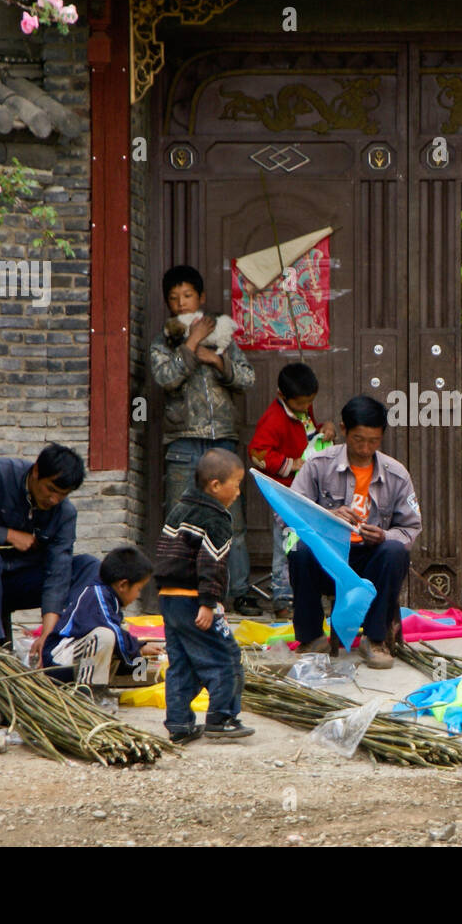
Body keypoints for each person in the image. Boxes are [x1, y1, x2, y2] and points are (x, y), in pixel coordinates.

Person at [150, 264, 261, 617]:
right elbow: (165, 378)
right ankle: (179, 591)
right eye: (174, 298)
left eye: (187, 296)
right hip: (183, 443)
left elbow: (247, 378)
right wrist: (191, 343)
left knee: (231, 520)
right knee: (180, 517)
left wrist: (216, 359)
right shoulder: (163, 341)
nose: (181, 303)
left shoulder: (224, 335)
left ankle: (239, 592)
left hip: (222, 443)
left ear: (201, 298)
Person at [287, 395, 421, 669]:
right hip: (330, 558)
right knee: (301, 551)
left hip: (370, 560)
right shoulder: (318, 464)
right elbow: (287, 511)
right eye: (359, 439)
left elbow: (410, 527)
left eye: (374, 441)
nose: (365, 448)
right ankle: (312, 637)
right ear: (344, 429)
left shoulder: (396, 474)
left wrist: (385, 536)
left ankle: (375, 639)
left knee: (395, 551)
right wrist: (328, 518)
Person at [0, 443, 101, 654]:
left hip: (14, 585)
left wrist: (47, 633)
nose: (54, 500)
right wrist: (8, 535)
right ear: (35, 471)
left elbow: (57, 573)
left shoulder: (64, 513)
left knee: (88, 565)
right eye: (50, 489)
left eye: (62, 494)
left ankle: (62, 639)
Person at [153, 448, 255, 744]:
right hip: (195, 601)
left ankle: (180, 724)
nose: (237, 492)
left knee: (181, 663)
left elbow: (164, 555)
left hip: (169, 600)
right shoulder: (217, 518)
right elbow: (211, 564)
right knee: (226, 657)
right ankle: (222, 718)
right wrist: (208, 603)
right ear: (215, 485)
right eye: (235, 485)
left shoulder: (178, 509)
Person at [248, 362, 336, 622]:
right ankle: (283, 601)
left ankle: (314, 594)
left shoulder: (302, 407)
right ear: (281, 396)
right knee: (286, 545)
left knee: (311, 542)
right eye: (300, 404)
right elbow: (258, 454)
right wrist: (291, 464)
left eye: (310, 402)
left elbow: (307, 433)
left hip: (307, 492)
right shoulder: (273, 420)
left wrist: (324, 429)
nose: (305, 407)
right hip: (286, 494)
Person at [41, 546, 165, 701]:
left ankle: (100, 689)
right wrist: (138, 647)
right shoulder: (97, 595)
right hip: (59, 660)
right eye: (138, 589)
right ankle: (88, 690)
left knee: (116, 636)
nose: (138, 594)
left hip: (74, 656)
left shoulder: (109, 598)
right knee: (106, 635)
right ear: (123, 585)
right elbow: (112, 631)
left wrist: (138, 647)